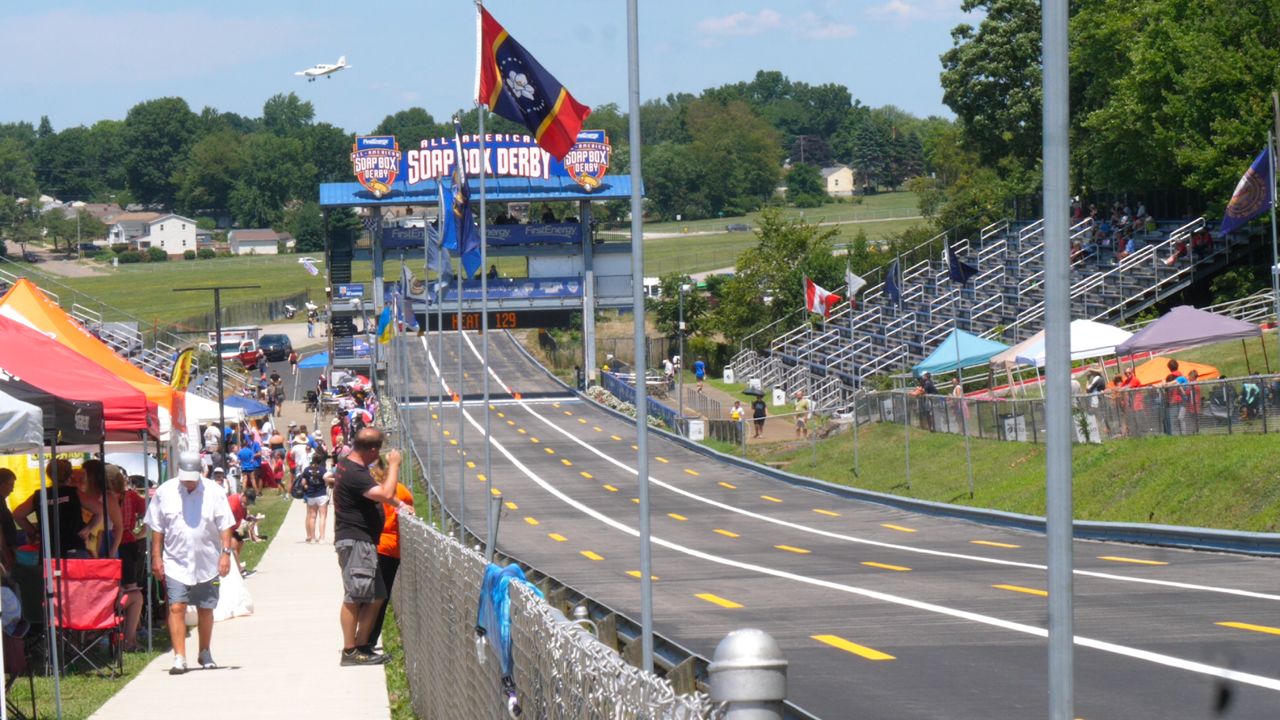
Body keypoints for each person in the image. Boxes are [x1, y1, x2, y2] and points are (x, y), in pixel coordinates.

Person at [146, 451, 235, 675]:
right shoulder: (165, 492)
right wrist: (156, 557)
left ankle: (204, 651)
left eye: (192, 478)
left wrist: (225, 553)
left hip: (207, 561)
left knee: (206, 608)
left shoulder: (214, 492)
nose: (189, 482)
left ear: (200, 472)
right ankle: (179, 657)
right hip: (175, 560)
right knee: (177, 607)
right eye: (185, 478)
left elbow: (225, 524)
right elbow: (157, 527)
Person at [333, 428, 413, 666]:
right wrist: (394, 465)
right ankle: (350, 651)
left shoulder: (349, 467)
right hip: (356, 540)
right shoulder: (355, 472)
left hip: (365, 541)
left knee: (377, 596)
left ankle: (362, 646)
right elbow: (386, 491)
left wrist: (400, 505)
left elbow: (379, 495)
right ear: (372, 449)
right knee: (355, 596)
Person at [364, 460, 414, 649]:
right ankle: (370, 638)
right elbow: (410, 511)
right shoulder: (401, 491)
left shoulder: (370, 489)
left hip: (370, 544)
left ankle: (360, 636)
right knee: (381, 597)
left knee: (365, 594)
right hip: (390, 548)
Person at [14, 459, 95, 558]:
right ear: (70, 475)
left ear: (49, 475)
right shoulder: (74, 493)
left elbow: (18, 515)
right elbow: (100, 510)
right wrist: (88, 528)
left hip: (49, 549)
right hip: (73, 547)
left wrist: (34, 531)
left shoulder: (40, 495)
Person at [109, 466, 146, 651]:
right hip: (128, 542)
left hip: (113, 545)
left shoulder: (102, 498)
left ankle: (128, 631)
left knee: (120, 589)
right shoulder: (130, 495)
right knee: (130, 588)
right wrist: (141, 533)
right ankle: (133, 632)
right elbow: (148, 511)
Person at [300, 452, 331, 543]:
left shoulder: (306, 470)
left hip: (311, 495)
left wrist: (307, 486)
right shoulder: (323, 470)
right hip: (321, 495)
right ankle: (321, 538)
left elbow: (303, 483)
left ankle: (312, 538)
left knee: (312, 517)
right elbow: (326, 483)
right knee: (322, 517)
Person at [0, 469, 17, 571]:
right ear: (2, 485)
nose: (12, 490)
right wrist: (7, 555)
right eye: (11, 485)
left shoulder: (2, 501)